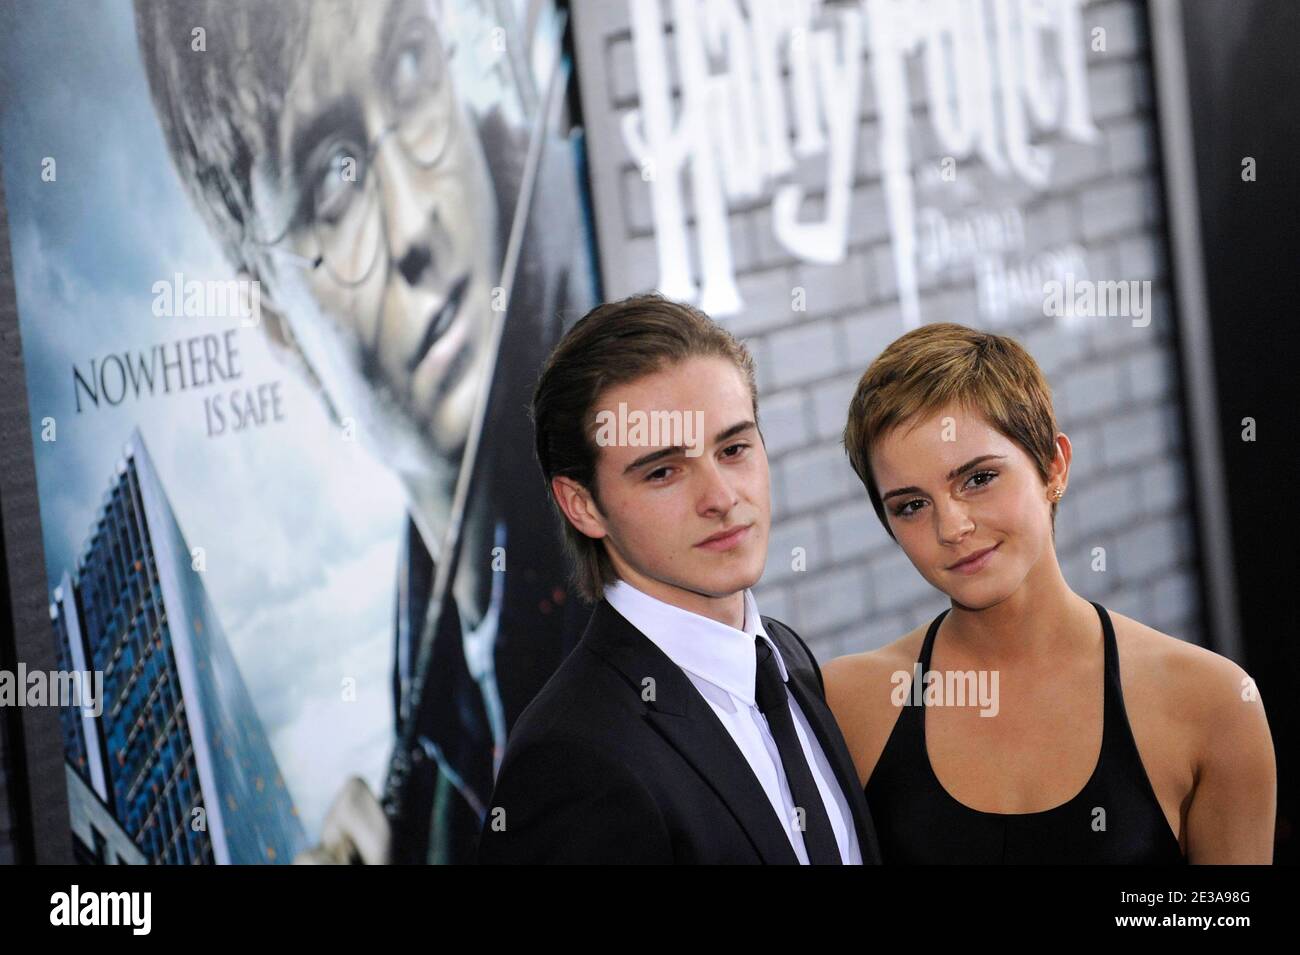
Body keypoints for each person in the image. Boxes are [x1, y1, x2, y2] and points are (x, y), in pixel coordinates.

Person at [134, 0, 595, 862]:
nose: (416, 220)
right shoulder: (433, 715)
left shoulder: (624, 476)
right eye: (331, 180)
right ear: (276, 323)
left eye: (412, 69)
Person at [824, 323, 1276, 863]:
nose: (952, 527)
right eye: (911, 505)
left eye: (978, 478)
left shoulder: (1212, 702)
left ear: (1054, 466)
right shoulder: (847, 704)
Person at [476, 294, 882, 863]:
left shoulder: (786, 660)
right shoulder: (569, 758)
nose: (721, 498)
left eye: (734, 448)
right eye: (664, 471)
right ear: (583, 505)